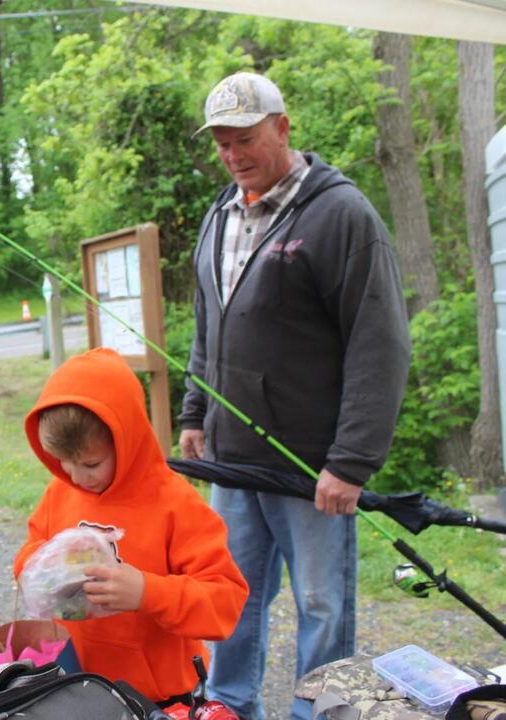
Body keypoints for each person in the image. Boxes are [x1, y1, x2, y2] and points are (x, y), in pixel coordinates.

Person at [179, 72, 411, 720]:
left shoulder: (341, 214)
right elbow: (208, 324)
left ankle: (320, 712)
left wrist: (351, 461)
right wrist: (196, 413)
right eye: (222, 143)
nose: (233, 155)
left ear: (282, 127)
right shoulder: (219, 214)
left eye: (245, 138)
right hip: (232, 461)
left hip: (313, 468)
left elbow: (380, 343)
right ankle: (229, 704)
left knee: (321, 602)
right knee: (231, 591)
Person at [12, 347, 249, 704]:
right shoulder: (60, 492)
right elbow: (29, 556)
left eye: (91, 463)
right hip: (74, 687)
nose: (75, 476)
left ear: (128, 440)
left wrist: (147, 593)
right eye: (63, 462)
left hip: (158, 697)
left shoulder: (175, 504)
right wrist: (43, 568)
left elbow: (224, 602)